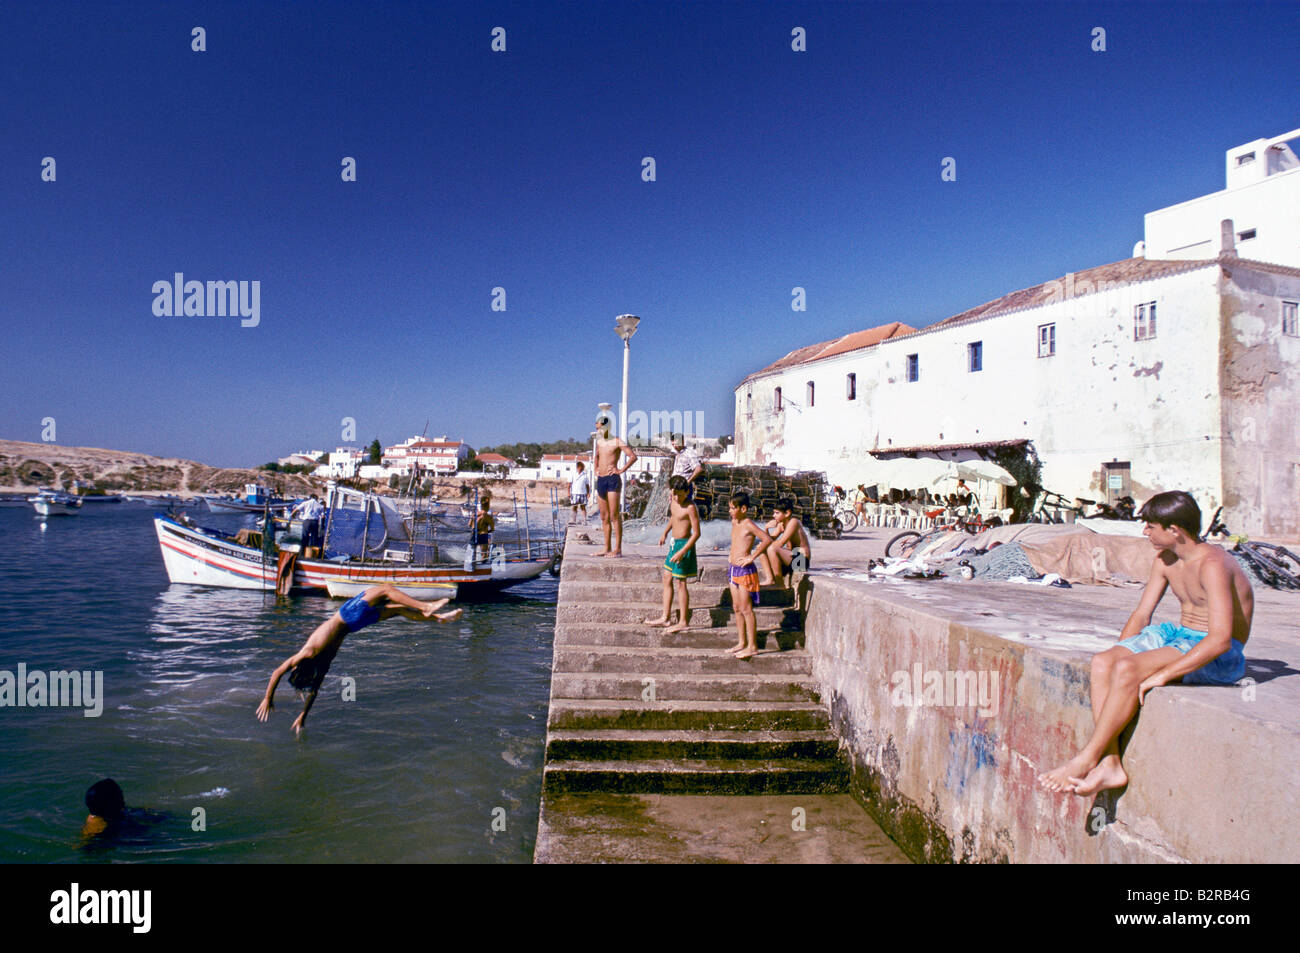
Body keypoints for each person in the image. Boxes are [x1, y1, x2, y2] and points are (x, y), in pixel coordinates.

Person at [1038, 491, 1252, 797]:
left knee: (1127, 669)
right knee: (1103, 663)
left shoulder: (1213, 564)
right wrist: (1117, 659)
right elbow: (1142, 614)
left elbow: (1219, 639)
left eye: (1150, 526)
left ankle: (1087, 758)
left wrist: (1162, 673)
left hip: (1218, 652)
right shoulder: (1166, 559)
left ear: (1174, 530)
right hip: (1179, 634)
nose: (1144, 532)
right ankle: (1110, 763)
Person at [256, 585, 463, 734]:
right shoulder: (306, 653)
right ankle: (426, 607)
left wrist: (303, 715)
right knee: (385, 589)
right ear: (297, 669)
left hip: (353, 626)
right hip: (347, 615)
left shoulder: (321, 665)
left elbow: (313, 692)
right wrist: (268, 697)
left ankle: (440, 619)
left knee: (399, 610)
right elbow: (277, 672)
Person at [644, 476, 701, 633]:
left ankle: (683, 621)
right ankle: (665, 617)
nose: (677, 498)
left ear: (687, 492)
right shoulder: (673, 502)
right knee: (666, 577)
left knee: (681, 583)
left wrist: (683, 552)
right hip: (674, 543)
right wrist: (665, 532)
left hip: (685, 546)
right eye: (674, 494)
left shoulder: (690, 507)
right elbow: (673, 518)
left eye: (680, 495)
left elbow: (696, 533)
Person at [726, 491, 775, 660]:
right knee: (737, 607)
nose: (730, 511)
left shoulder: (748, 524)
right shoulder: (735, 522)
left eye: (733, 508)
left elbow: (766, 539)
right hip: (733, 568)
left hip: (745, 570)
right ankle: (741, 642)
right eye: (730, 508)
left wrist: (752, 556)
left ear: (743, 508)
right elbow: (736, 541)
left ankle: (752, 646)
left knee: (747, 609)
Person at [593, 412, 637, 557]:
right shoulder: (599, 442)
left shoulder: (617, 441)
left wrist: (620, 470)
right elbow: (597, 456)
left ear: (607, 427)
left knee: (614, 515)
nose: (598, 431)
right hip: (601, 479)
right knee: (604, 517)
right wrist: (595, 468)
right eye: (597, 428)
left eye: (600, 428)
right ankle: (606, 548)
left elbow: (633, 456)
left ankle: (617, 549)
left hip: (613, 479)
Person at [761, 497, 812, 587]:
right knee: (761, 548)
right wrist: (766, 529)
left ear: (787, 513)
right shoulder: (781, 525)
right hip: (790, 560)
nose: (774, 516)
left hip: (801, 562)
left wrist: (769, 545)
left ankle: (779, 584)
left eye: (777, 513)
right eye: (774, 513)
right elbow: (767, 541)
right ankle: (770, 579)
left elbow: (780, 543)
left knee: (772, 548)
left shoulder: (794, 522)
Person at [670, 434, 705, 502]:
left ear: (682, 442)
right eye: (673, 444)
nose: (674, 446)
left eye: (676, 444)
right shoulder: (678, 454)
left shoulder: (689, 453)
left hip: (683, 489)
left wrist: (687, 482)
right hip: (675, 488)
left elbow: (698, 469)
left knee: (684, 509)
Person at [471, 497, 495, 562]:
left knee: (472, 552)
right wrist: (488, 530)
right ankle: (483, 564)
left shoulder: (475, 514)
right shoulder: (487, 515)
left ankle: (473, 564)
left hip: (474, 534)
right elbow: (492, 528)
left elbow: (469, 525)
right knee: (484, 554)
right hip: (483, 534)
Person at [569, 461, 591, 525]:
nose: (581, 469)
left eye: (582, 468)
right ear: (578, 467)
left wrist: (588, 493)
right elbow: (569, 484)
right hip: (574, 493)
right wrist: (568, 492)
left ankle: (584, 520)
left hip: (583, 493)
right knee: (574, 507)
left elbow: (587, 485)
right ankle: (573, 520)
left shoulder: (585, 475)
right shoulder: (573, 474)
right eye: (580, 467)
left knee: (583, 507)